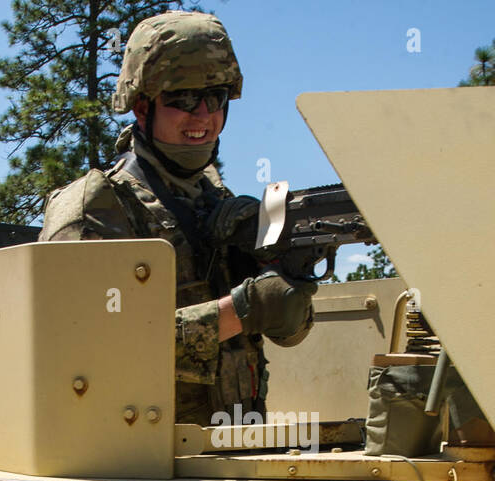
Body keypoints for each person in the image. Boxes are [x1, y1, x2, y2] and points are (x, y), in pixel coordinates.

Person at [39, 11, 315, 426]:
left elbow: (285, 335)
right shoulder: (93, 206)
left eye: (216, 98)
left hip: (236, 452)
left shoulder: (214, 201)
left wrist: (285, 288)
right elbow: (80, 352)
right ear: (142, 107)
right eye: (183, 100)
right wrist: (239, 310)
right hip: (131, 462)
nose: (203, 115)